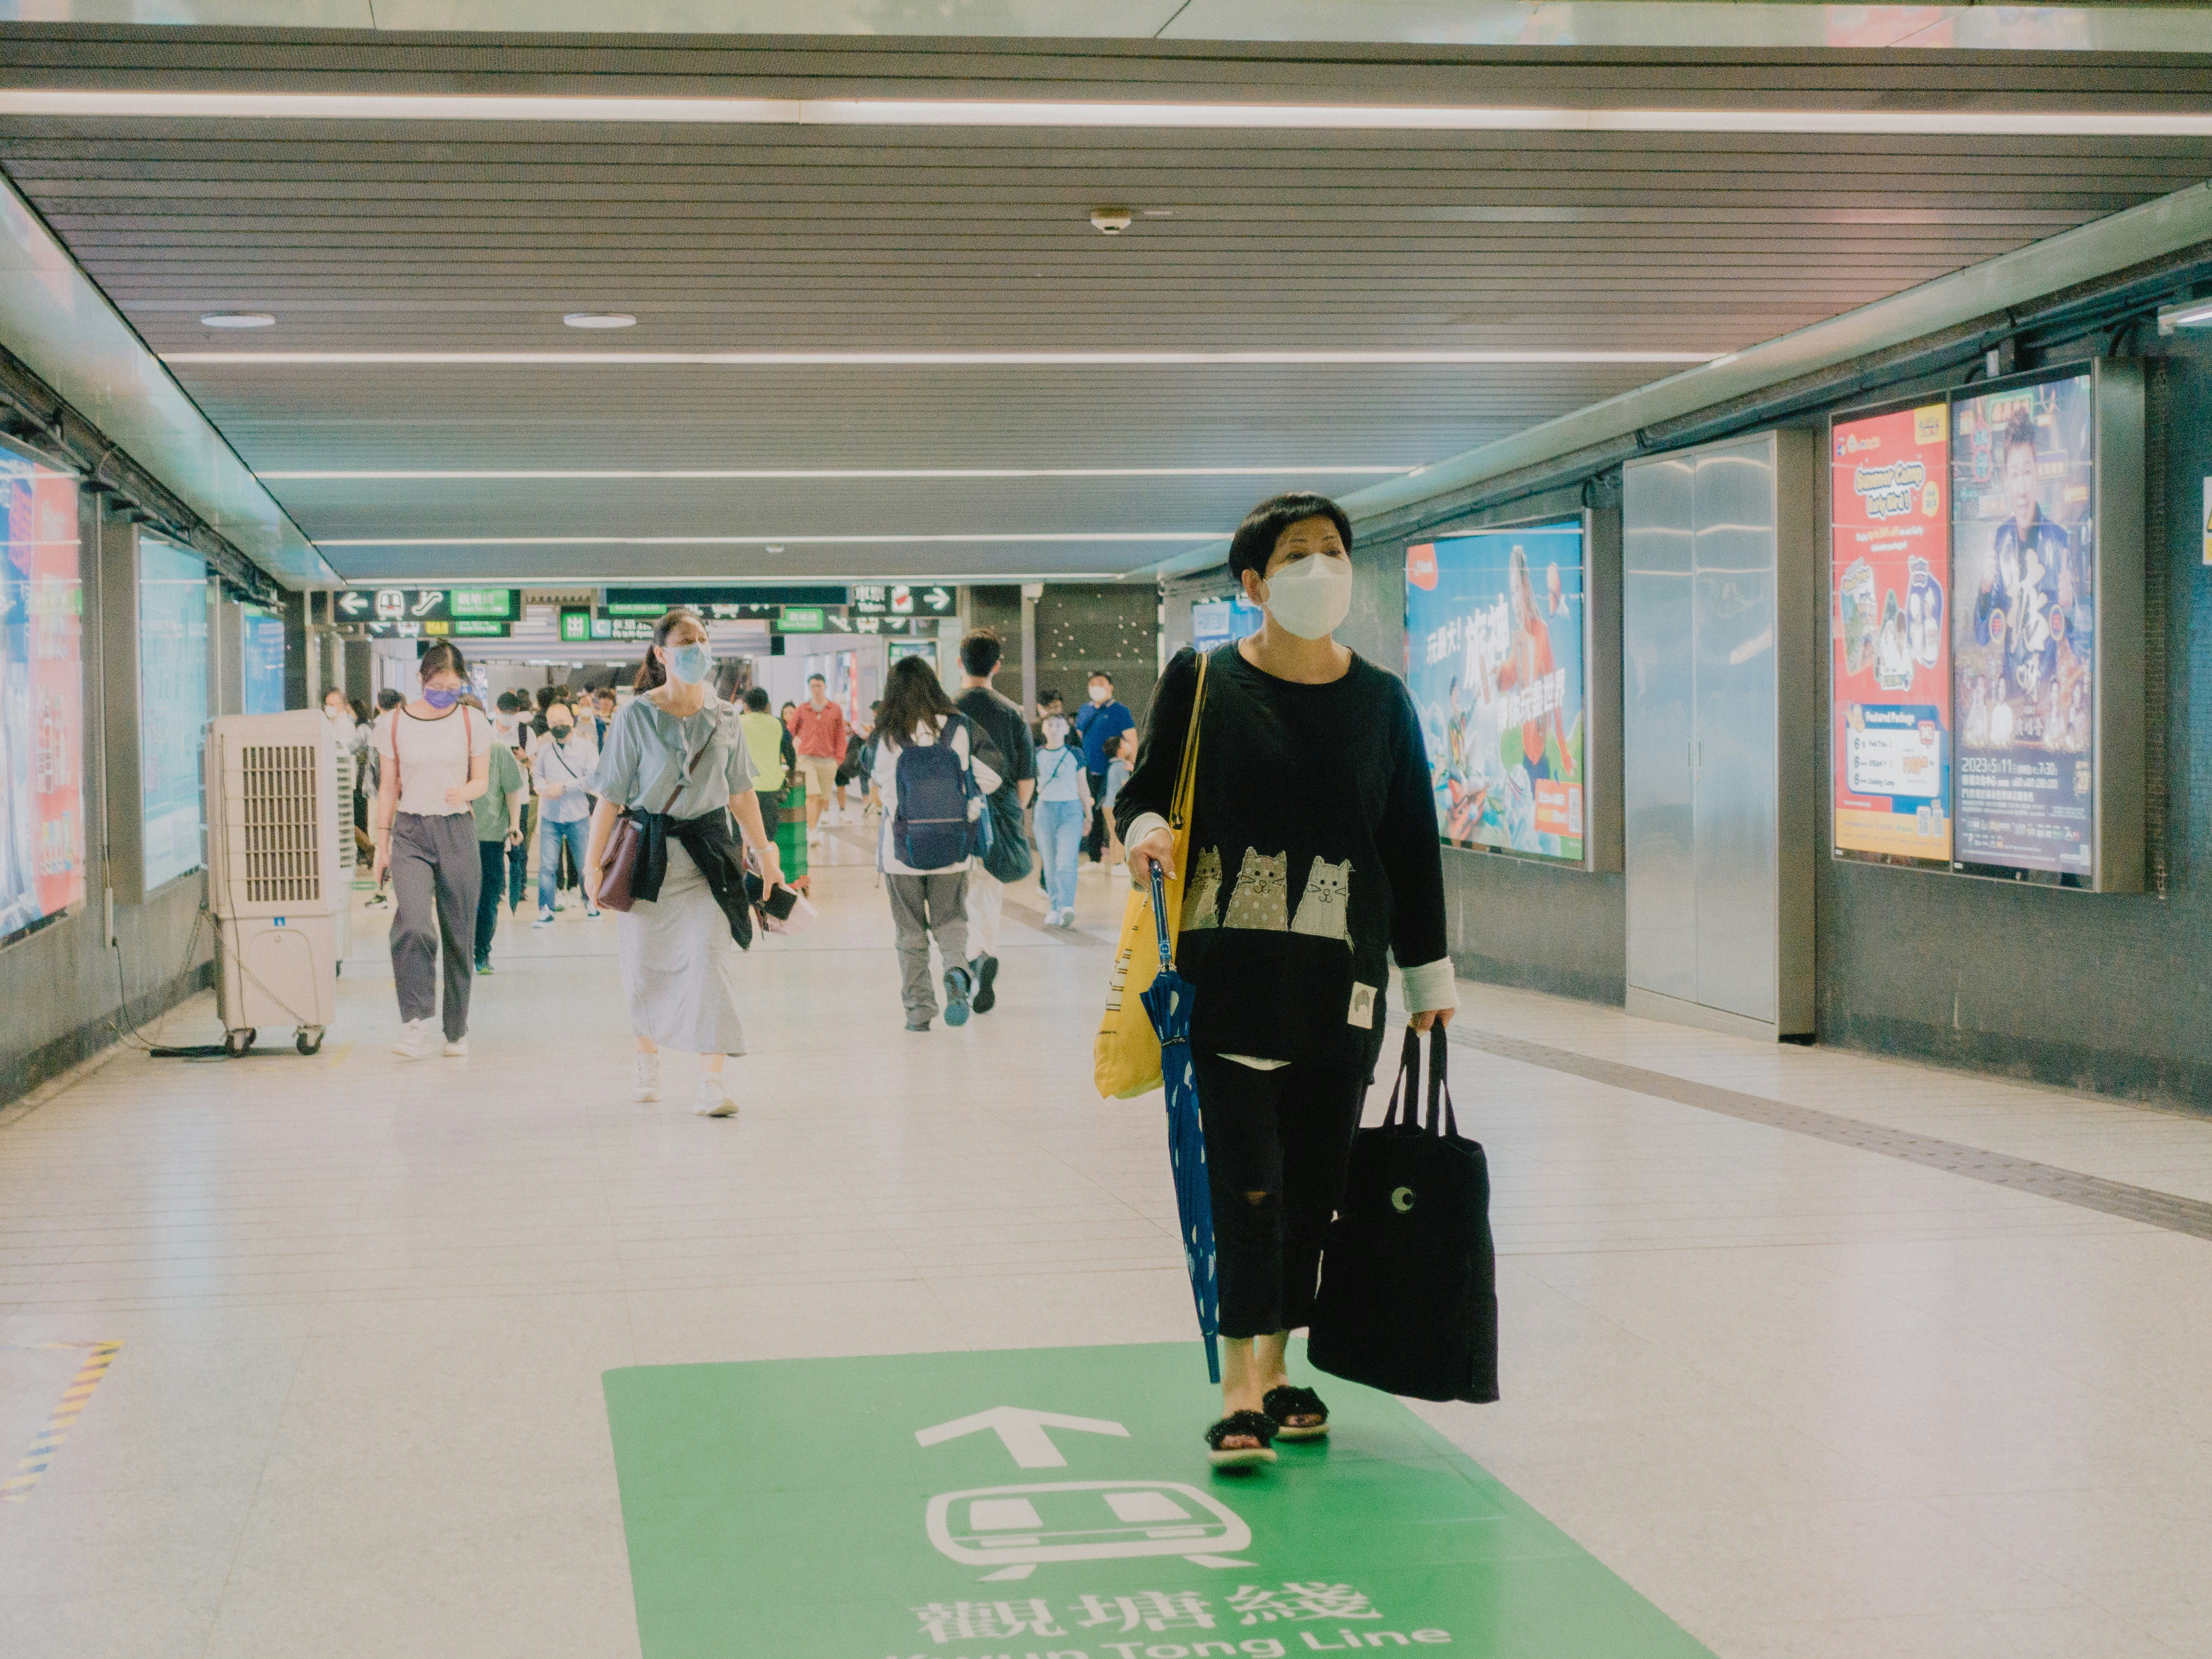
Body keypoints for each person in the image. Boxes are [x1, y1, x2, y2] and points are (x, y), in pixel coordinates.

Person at [1118, 490, 1456, 1468]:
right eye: (1298, 556)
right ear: (1255, 584)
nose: (1322, 570)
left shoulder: (1382, 702)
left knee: (1312, 1192)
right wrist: (1145, 835)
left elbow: (1408, 843)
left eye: (1333, 553)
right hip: (1223, 985)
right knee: (1245, 1189)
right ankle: (1235, 1389)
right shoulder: (1204, 681)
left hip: (1339, 992)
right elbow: (1141, 795)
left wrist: (1426, 978)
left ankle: (1278, 1368)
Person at [583, 610, 784, 1117]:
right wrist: (592, 866)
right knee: (644, 968)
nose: (697, 649)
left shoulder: (727, 717)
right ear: (661, 654)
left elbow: (740, 793)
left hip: (709, 858)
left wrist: (766, 852)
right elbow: (609, 796)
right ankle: (646, 1058)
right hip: (647, 856)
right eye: (685, 642)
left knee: (707, 963)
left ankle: (710, 1082)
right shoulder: (635, 716)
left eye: (702, 639)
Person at [866, 654, 1000, 1031]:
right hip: (953, 849)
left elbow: (881, 786)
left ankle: (919, 1012)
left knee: (909, 931)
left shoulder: (889, 732)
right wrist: (965, 795)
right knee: (952, 919)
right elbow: (992, 777)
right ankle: (957, 972)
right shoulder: (959, 727)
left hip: (901, 853)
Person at [372, 642, 492, 1060]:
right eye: (439, 685)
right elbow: (388, 787)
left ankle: (456, 1029)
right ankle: (414, 1021)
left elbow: (483, 780)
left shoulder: (472, 720)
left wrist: (465, 791)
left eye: (454, 686)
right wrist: (381, 845)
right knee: (414, 925)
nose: (446, 692)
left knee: (460, 934)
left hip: (458, 829)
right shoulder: (392, 724)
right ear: (422, 680)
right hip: (409, 831)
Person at [952, 628, 1035, 1013]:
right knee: (988, 895)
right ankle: (984, 954)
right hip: (996, 820)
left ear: (959, 663)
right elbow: (1026, 780)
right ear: (997, 666)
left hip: (951, 819)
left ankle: (967, 963)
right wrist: (1010, 817)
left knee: (955, 897)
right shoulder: (1012, 713)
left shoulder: (945, 710)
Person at [467, 695, 527, 974]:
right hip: (456, 837)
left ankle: (482, 952)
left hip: (490, 837)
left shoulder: (499, 751)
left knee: (488, 899)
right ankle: (463, 953)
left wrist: (515, 824)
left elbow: (512, 790)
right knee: (459, 900)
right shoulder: (451, 751)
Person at [532, 699, 601, 927]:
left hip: (578, 815)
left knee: (584, 863)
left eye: (562, 721)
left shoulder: (587, 748)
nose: (558, 725)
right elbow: (537, 776)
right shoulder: (544, 750)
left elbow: (593, 780)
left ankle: (590, 902)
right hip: (550, 816)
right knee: (548, 866)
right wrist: (542, 788)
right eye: (553, 723)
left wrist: (563, 787)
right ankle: (545, 909)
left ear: (572, 721)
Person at [739, 686, 808, 893]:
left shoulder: (739, 723)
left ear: (746, 705)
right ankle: (775, 887)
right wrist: (792, 768)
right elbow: (790, 753)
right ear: (767, 705)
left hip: (743, 789)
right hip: (771, 788)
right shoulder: (777, 724)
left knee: (743, 837)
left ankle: (744, 886)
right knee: (768, 839)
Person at [1032, 710, 1091, 928]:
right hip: (1044, 810)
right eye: (1050, 725)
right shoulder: (1036, 754)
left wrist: (1089, 814)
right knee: (1049, 862)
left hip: (1071, 810)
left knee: (1067, 860)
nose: (1054, 729)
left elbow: (1082, 785)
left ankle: (1067, 905)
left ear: (1067, 729)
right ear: (1044, 729)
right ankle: (1054, 908)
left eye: (1059, 725)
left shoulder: (1075, 754)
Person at [1075, 670, 1133, 864]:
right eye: (1093, 683)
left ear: (1111, 687)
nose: (1096, 686)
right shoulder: (1085, 709)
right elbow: (1081, 736)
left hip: (1113, 770)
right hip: (1089, 771)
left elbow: (1132, 739)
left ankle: (1118, 858)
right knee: (1092, 812)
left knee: (1112, 812)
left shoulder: (1120, 711)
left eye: (1101, 682)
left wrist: (1132, 763)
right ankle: (1094, 858)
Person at [789, 673, 849, 846]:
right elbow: (790, 731)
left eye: (819, 686)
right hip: (807, 759)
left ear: (825, 687)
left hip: (828, 761)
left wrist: (839, 759)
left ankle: (812, 827)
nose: (816, 690)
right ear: (809, 688)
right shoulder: (802, 709)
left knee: (823, 799)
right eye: (813, 686)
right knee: (812, 795)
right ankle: (812, 831)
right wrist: (791, 753)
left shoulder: (835, 709)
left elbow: (840, 736)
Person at [1101, 727, 1136, 869]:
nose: (1129, 745)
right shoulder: (1122, 765)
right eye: (1125, 743)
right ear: (1120, 750)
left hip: (1108, 805)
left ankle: (1116, 862)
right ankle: (1118, 864)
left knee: (1114, 834)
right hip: (1115, 806)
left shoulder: (1113, 765)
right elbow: (1126, 786)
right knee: (1119, 834)